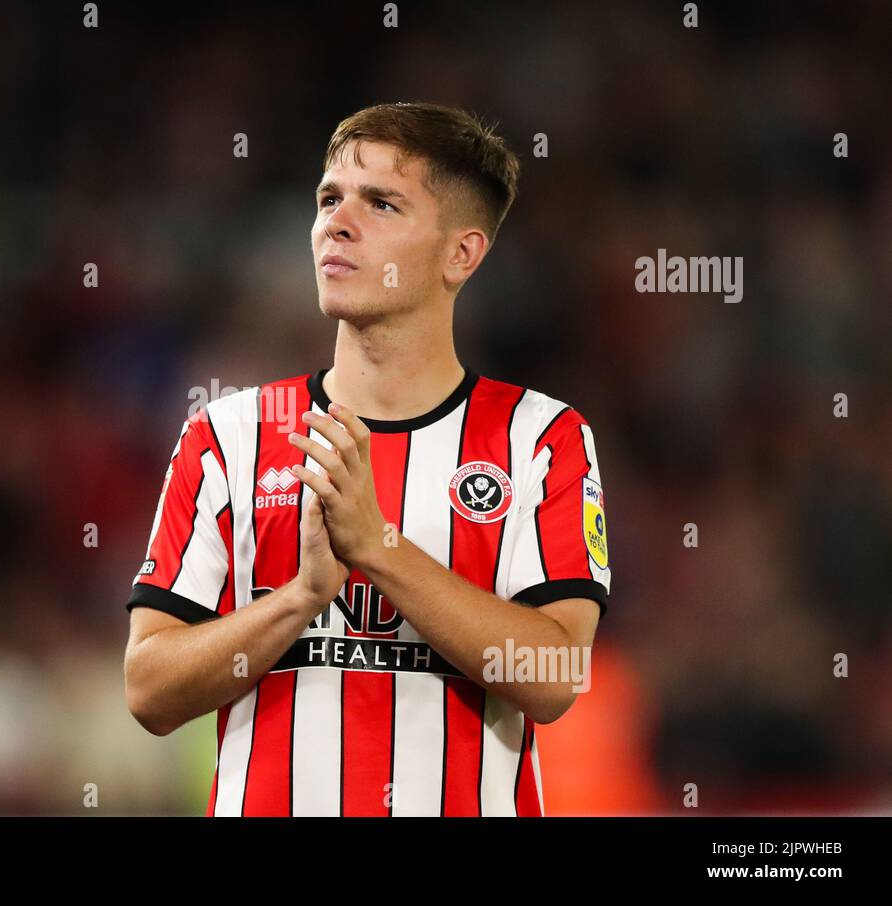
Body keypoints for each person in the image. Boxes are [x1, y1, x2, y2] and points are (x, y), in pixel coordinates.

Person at [123, 101, 611, 816]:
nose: (336, 223)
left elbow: (555, 676)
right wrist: (299, 598)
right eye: (329, 198)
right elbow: (149, 691)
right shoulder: (228, 433)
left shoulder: (540, 436)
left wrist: (375, 547)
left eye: (381, 202)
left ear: (461, 254)